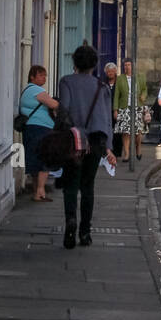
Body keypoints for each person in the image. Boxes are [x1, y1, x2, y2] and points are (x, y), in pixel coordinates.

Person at [57, 44, 116, 249]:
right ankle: (85, 232)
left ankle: (70, 221)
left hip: (73, 141)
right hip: (95, 142)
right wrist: (108, 148)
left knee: (70, 185)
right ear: (94, 65)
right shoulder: (103, 87)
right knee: (88, 186)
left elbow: (63, 112)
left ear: (75, 62)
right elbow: (107, 120)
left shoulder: (66, 82)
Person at [18, 65, 60, 202]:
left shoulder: (28, 91)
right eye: (41, 75)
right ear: (32, 76)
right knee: (45, 159)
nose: (44, 78)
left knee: (36, 161)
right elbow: (54, 104)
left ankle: (37, 191)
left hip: (33, 129)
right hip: (40, 129)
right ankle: (40, 191)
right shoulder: (36, 90)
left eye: (45, 75)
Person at [117, 60, 147, 161]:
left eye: (129, 65)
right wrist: (115, 110)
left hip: (137, 107)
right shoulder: (120, 79)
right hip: (125, 107)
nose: (127, 67)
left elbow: (144, 89)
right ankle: (127, 154)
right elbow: (117, 95)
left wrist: (143, 95)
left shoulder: (140, 77)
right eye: (125, 65)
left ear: (133, 66)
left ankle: (138, 147)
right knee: (126, 132)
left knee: (138, 132)